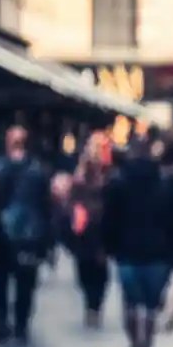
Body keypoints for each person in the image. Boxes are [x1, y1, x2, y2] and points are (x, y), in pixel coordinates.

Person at [103, 138, 173, 347]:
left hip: (127, 251)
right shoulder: (164, 183)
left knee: (131, 302)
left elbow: (109, 219)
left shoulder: (117, 183)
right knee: (152, 305)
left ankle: (135, 341)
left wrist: (109, 247)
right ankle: (148, 343)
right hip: (158, 253)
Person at [0, 126, 53, 344]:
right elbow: (46, 207)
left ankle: (1, 321)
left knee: (0, 280)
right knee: (26, 282)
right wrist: (47, 240)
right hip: (29, 236)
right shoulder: (39, 170)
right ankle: (21, 324)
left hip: (1, 235)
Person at [68, 136, 111, 328]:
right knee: (92, 273)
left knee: (92, 272)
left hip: (92, 232)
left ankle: (93, 305)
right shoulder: (81, 182)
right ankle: (93, 305)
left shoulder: (105, 181)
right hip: (91, 232)